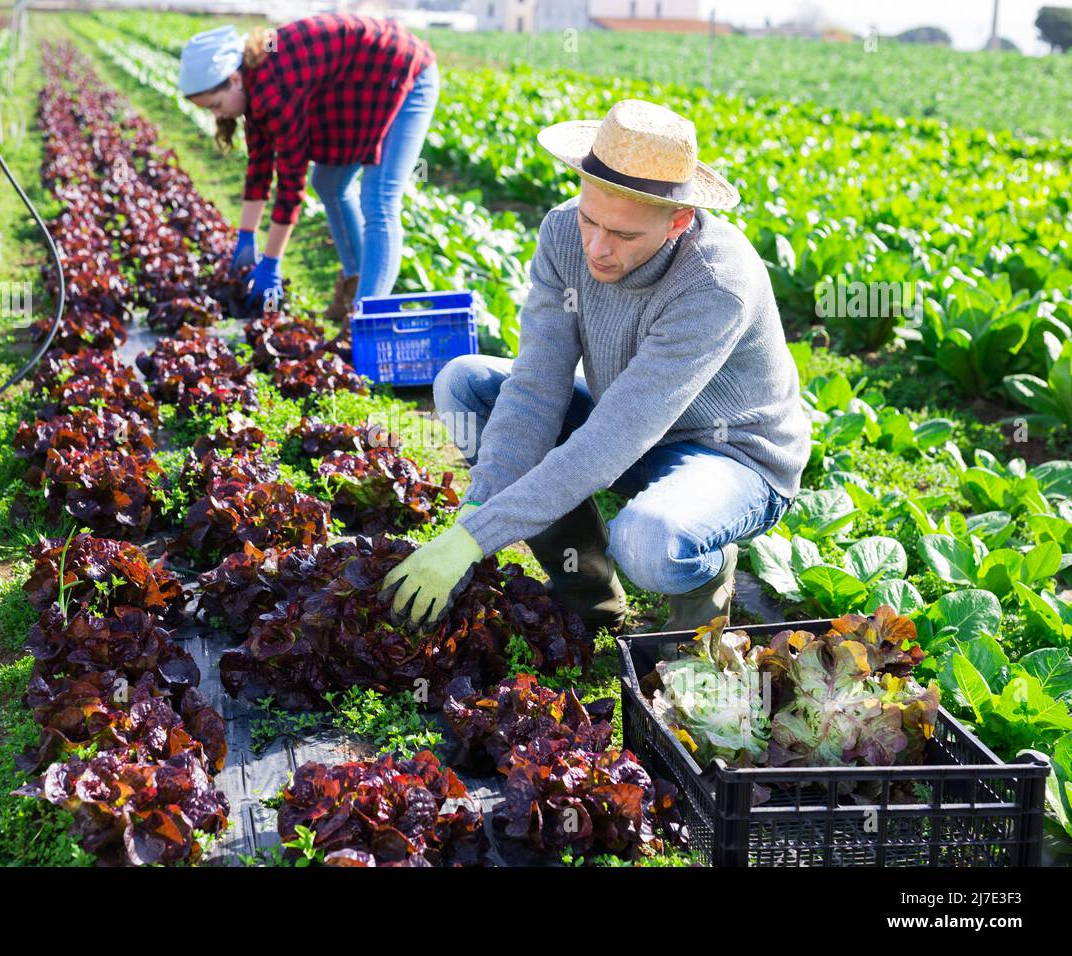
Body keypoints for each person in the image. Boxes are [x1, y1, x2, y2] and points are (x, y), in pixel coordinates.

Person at [381, 99, 810, 637]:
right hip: (629, 427)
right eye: (590, 219)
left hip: (731, 455)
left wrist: (472, 539)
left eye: (625, 236)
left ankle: (704, 574)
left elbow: (613, 437)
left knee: (649, 541)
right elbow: (536, 388)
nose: (598, 248)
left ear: (679, 220)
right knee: (467, 383)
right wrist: (474, 517)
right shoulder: (563, 234)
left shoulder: (715, 282)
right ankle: (590, 597)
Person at [179, 15, 439, 323]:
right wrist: (246, 237)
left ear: (234, 80)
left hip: (405, 75)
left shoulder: (275, 88)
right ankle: (355, 284)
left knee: (379, 198)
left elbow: (290, 184)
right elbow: (260, 167)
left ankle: (368, 319)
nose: (217, 115)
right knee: (328, 182)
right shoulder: (254, 84)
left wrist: (272, 260)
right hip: (363, 84)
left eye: (215, 105)